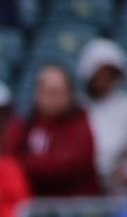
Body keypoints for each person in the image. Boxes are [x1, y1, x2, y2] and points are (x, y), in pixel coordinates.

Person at [12, 64, 102, 199]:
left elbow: (67, 166)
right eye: (47, 92)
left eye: (57, 92)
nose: (52, 98)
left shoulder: (79, 122)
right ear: (37, 92)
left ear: (69, 94)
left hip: (75, 208)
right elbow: (10, 163)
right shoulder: (25, 125)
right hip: (35, 207)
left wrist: (28, 166)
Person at [78, 40, 127, 189]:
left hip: (122, 187)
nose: (105, 79)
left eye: (111, 73)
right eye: (100, 72)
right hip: (83, 185)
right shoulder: (76, 108)